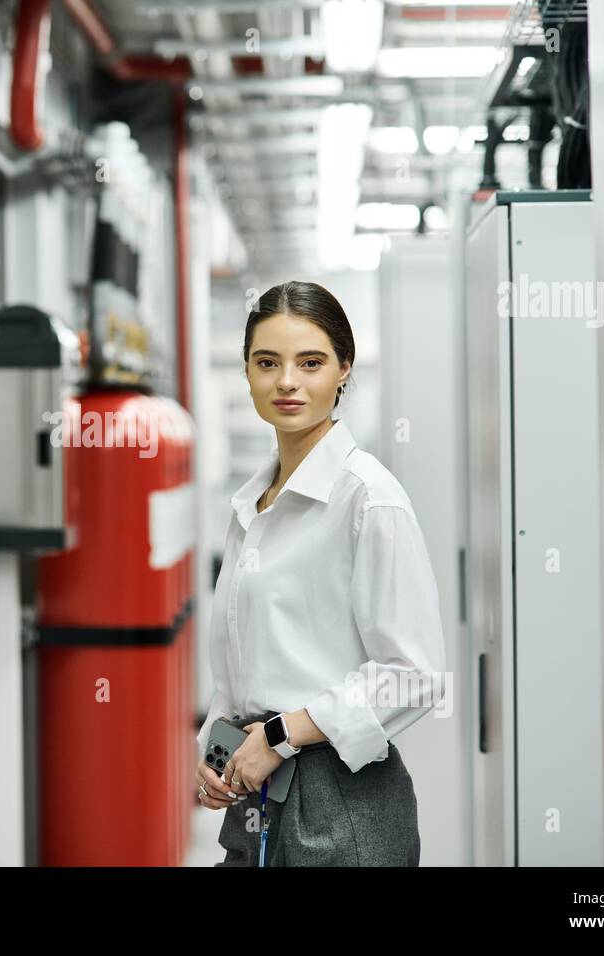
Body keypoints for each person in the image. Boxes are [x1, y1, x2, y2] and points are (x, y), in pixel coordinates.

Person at [193, 280, 447, 866]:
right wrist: (214, 752)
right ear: (248, 373)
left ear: (343, 371)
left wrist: (282, 734)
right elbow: (241, 668)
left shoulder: (368, 499)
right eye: (267, 363)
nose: (286, 381)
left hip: (341, 805)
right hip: (256, 794)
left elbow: (414, 674)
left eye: (310, 362)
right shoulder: (251, 505)